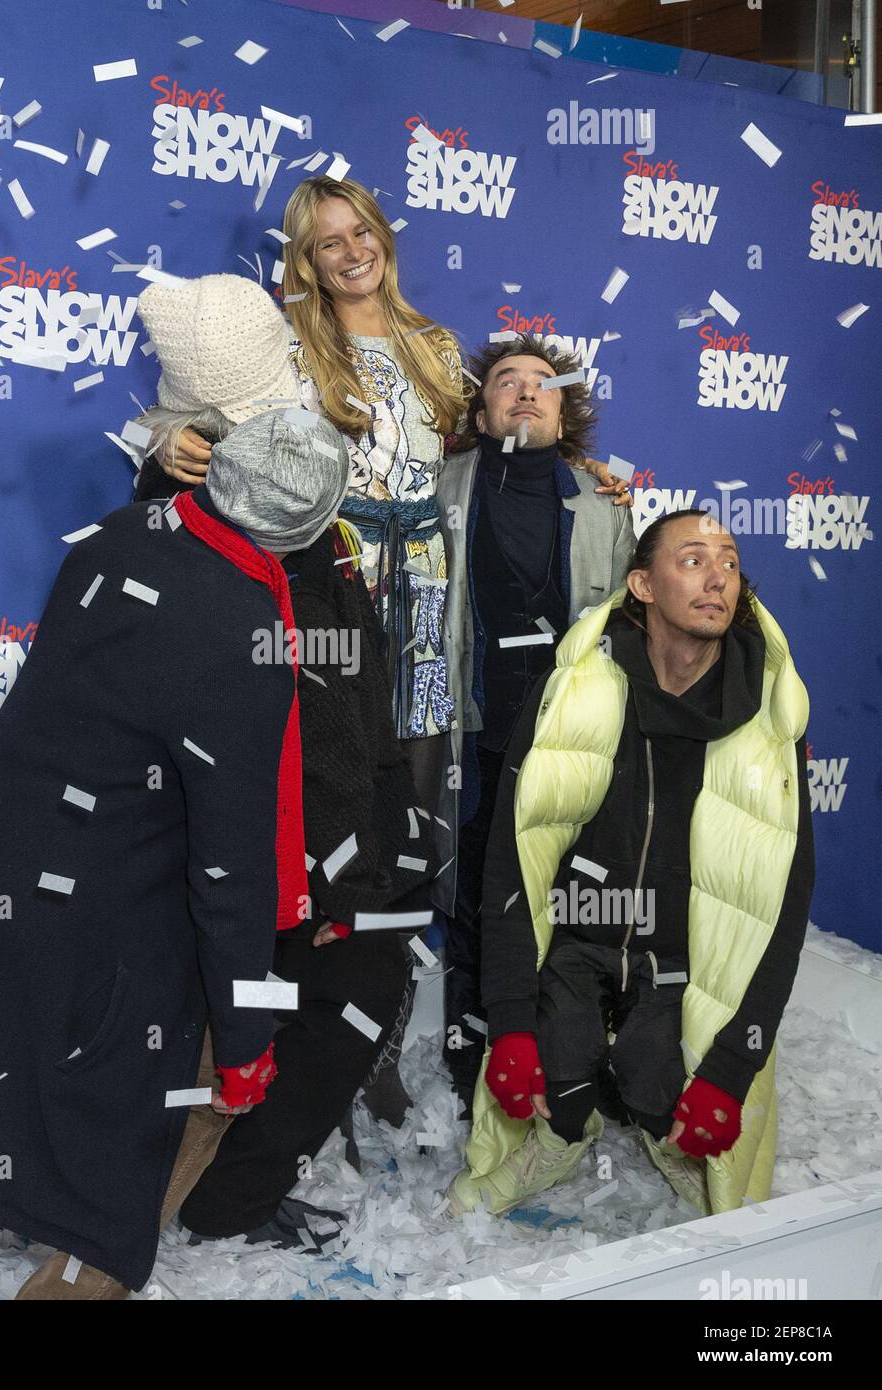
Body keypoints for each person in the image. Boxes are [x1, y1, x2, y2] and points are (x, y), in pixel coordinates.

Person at [139, 177, 629, 1124]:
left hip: (431, 600)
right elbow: (205, 407)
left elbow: (490, 451)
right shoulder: (287, 341)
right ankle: (319, 1045)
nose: (350, 250)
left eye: (360, 231)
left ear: (382, 238)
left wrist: (579, 466)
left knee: (417, 814)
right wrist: (165, 444)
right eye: (327, 243)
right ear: (305, 262)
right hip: (333, 583)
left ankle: (388, 1029)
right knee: (333, 806)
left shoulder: (438, 345)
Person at [0, 402, 350, 1299]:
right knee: (209, 1081)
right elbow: (231, 865)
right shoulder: (243, 637)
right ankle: (79, 1279)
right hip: (85, 895)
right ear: (310, 531)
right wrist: (246, 1041)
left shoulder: (117, 534)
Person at [134, 272, 435, 1250]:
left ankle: (234, 1188)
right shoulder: (190, 508)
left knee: (357, 987)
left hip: (340, 811)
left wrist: (381, 817)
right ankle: (219, 1198)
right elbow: (149, 565)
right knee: (297, 1004)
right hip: (269, 835)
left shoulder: (312, 502)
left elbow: (351, 673)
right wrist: (158, 466)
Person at [451, 510, 814, 1218]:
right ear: (641, 585)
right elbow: (510, 867)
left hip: (688, 956)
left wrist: (731, 1067)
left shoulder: (770, 716)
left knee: (661, 1082)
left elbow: (785, 902)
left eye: (729, 561)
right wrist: (511, 1021)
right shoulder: (574, 693)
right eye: (692, 560)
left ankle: (667, 1136)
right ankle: (561, 1135)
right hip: (583, 935)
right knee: (549, 1069)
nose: (717, 577)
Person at [437, 334, 635, 1111]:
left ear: (565, 409)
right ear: (481, 412)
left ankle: (578, 1060)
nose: (524, 391)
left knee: (572, 902)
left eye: (542, 383)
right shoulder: (434, 487)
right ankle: (473, 1063)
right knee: (476, 902)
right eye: (505, 382)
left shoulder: (603, 505)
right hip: (474, 735)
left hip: (570, 744)